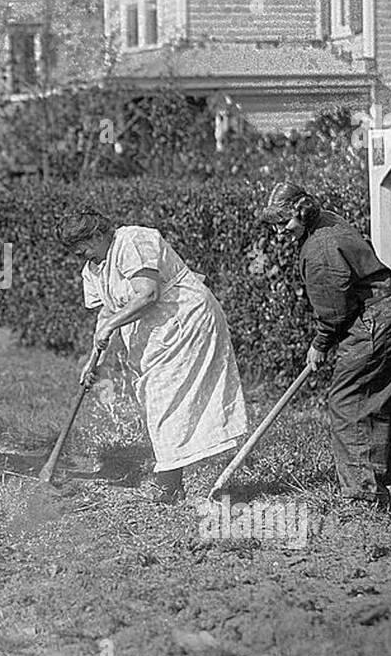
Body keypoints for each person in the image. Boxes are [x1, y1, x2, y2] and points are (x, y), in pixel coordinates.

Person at [56, 209, 248, 502]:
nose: (79, 254)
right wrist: (95, 358)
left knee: (162, 398)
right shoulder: (93, 268)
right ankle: (176, 475)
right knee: (154, 397)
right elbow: (108, 311)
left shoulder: (132, 240)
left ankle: (170, 483)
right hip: (158, 332)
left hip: (186, 320)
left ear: (97, 234)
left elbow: (147, 293)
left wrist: (110, 324)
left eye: (80, 245)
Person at [257, 181, 391, 503]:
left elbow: (334, 311)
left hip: (374, 321)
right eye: (275, 225)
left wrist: (319, 344)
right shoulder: (328, 221)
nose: (279, 233)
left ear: (303, 212)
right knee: (372, 398)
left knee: (347, 401)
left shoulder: (320, 250)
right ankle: (374, 482)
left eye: (284, 223)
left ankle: (362, 495)